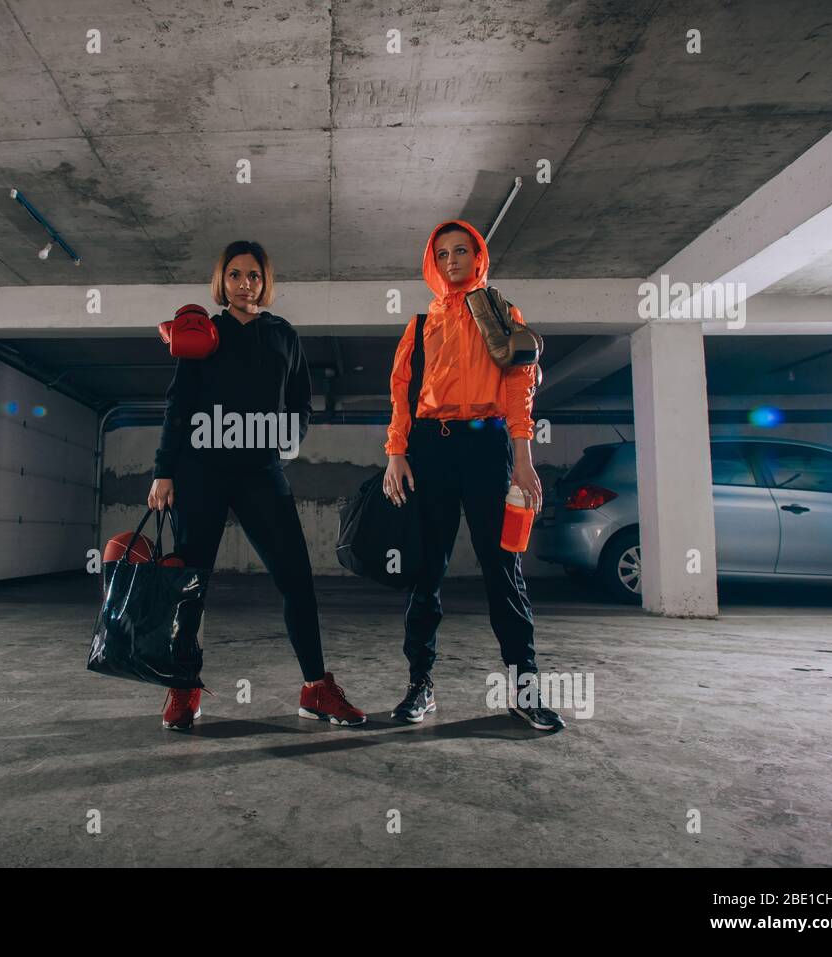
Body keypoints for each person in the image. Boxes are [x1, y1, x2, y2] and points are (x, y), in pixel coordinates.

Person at [147, 240, 366, 731]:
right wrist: (164, 471)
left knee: (296, 580)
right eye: (235, 275)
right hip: (200, 471)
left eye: (254, 276)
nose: (245, 284)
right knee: (190, 585)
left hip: (261, 472)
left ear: (265, 282)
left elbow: (301, 403)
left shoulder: (283, 335)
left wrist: (286, 441)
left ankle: (315, 687)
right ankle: (184, 689)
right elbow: (177, 407)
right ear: (221, 282)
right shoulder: (203, 333)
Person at [382, 220, 565, 732]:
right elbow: (400, 392)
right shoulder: (420, 326)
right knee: (426, 573)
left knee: (504, 571)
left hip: (488, 449)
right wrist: (397, 452)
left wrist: (523, 457)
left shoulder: (502, 315)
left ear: (478, 256)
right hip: (429, 449)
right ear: (432, 263)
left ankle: (525, 692)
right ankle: (420, 687)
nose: (453, 261)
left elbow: (519, 388)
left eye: (462, 251)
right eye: (443, 254)